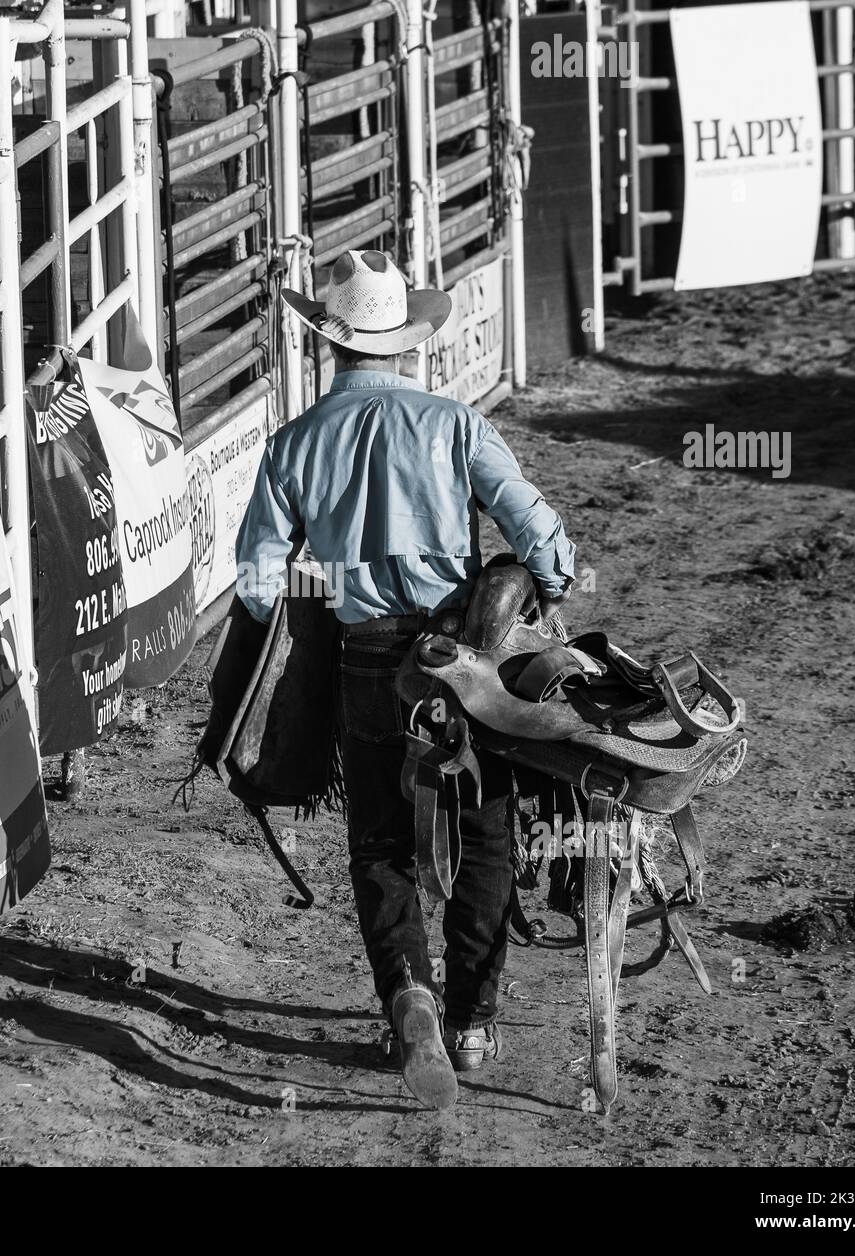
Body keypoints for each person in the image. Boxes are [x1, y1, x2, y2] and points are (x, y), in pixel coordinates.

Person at [234, 249, 576, 1110]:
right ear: (404, 342)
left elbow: (257, 579)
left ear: (331, 345)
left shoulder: (294, 442)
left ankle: (408, 995)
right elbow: (533, 523)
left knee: (380, 839)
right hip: (460, 663)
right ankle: (473, 1022)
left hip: (362, 662)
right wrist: (556, 577)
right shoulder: (453, 425)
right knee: (488, 830)